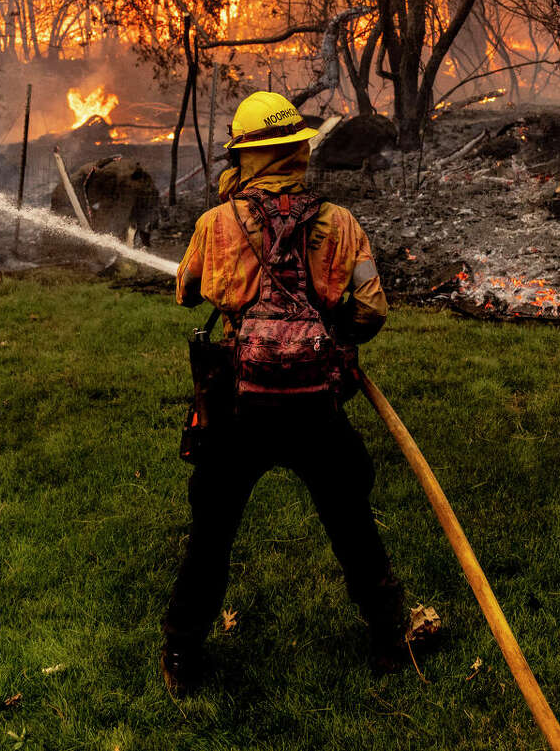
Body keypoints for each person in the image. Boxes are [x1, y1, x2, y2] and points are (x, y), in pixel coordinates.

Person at [161, 90, 408, 697]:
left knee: (212, 531)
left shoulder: (215, 224)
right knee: (351, 520)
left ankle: (182, 654)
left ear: (242, 157)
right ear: (300, 150)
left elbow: (186, 291)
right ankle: (388, 639)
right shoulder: (340, 223)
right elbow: (373, 310)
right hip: (314, 407)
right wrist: (330, 334)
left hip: (238, 408)